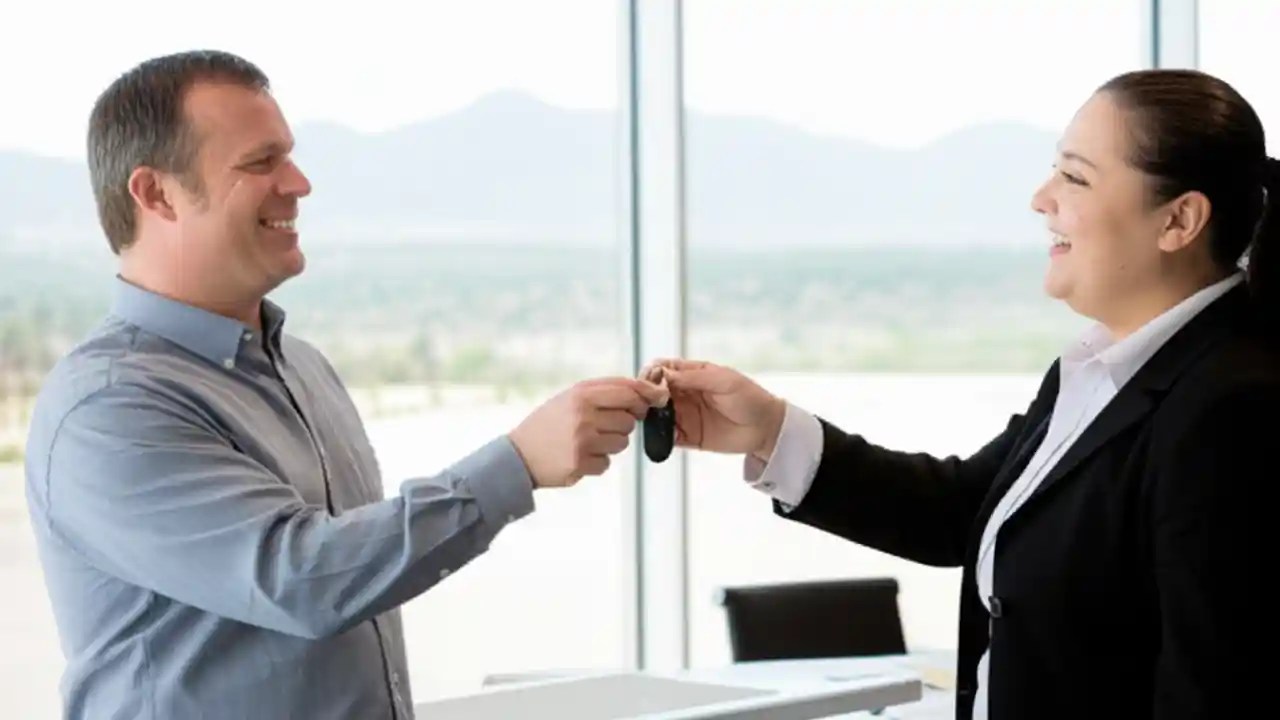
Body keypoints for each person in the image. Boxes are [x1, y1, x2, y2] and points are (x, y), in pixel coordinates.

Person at [23, 50, 664, 720]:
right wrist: (520, 463)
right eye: (260, 162)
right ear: (156, 194)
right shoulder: (108, 407)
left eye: (289, 156)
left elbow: (356, 583)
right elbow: (300, 578)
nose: (298, 183)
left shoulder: (301, 366)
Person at [647, 68, 1280, 720]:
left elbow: (1215, 692)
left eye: (1076, 177)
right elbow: (963, 510)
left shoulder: (1233, 408)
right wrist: (768, 430)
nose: (1041, 198)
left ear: (1179, 219)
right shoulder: (1097, 372)